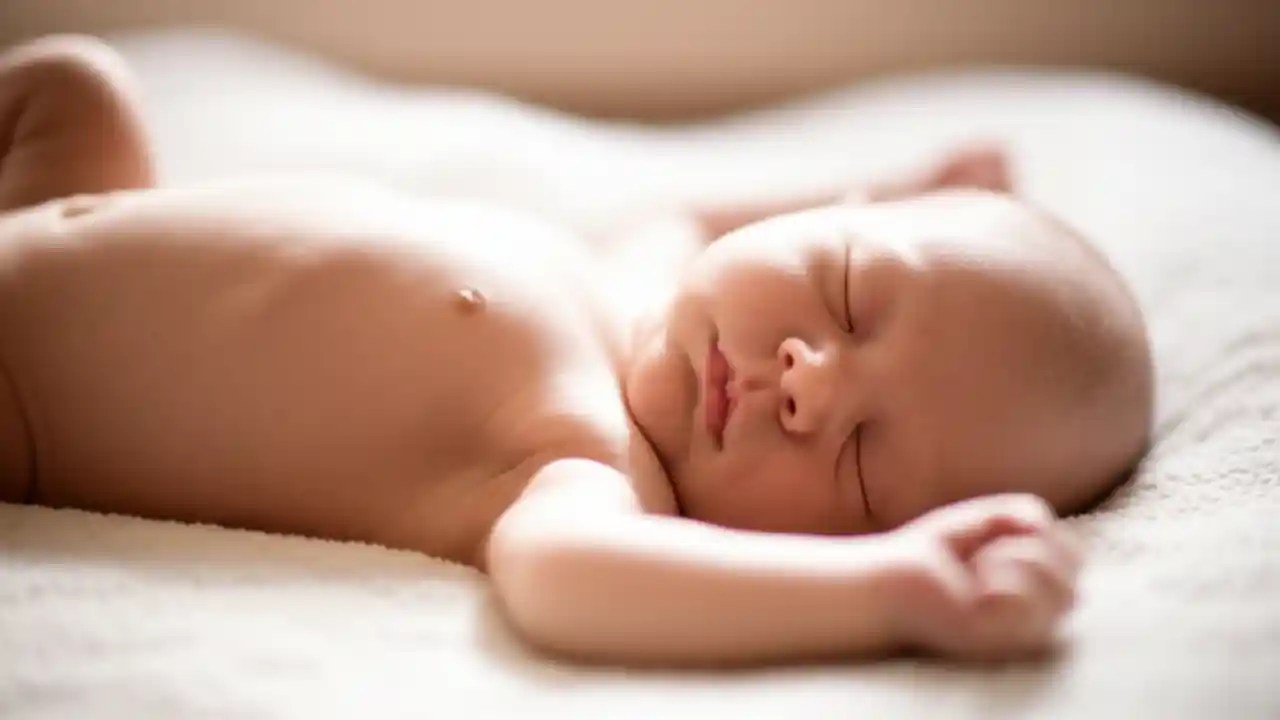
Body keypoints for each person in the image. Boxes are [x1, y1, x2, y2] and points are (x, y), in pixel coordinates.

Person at [0, 36, 1152, 665]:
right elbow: (689, 219)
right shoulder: (631, 283)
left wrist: (888, 595)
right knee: (76, 80)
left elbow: (566, 582)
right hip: (73, 195)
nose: (808, 381)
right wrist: (903, 190)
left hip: (27, 395)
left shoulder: (586, 460)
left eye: (857, 464)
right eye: (847, 289)